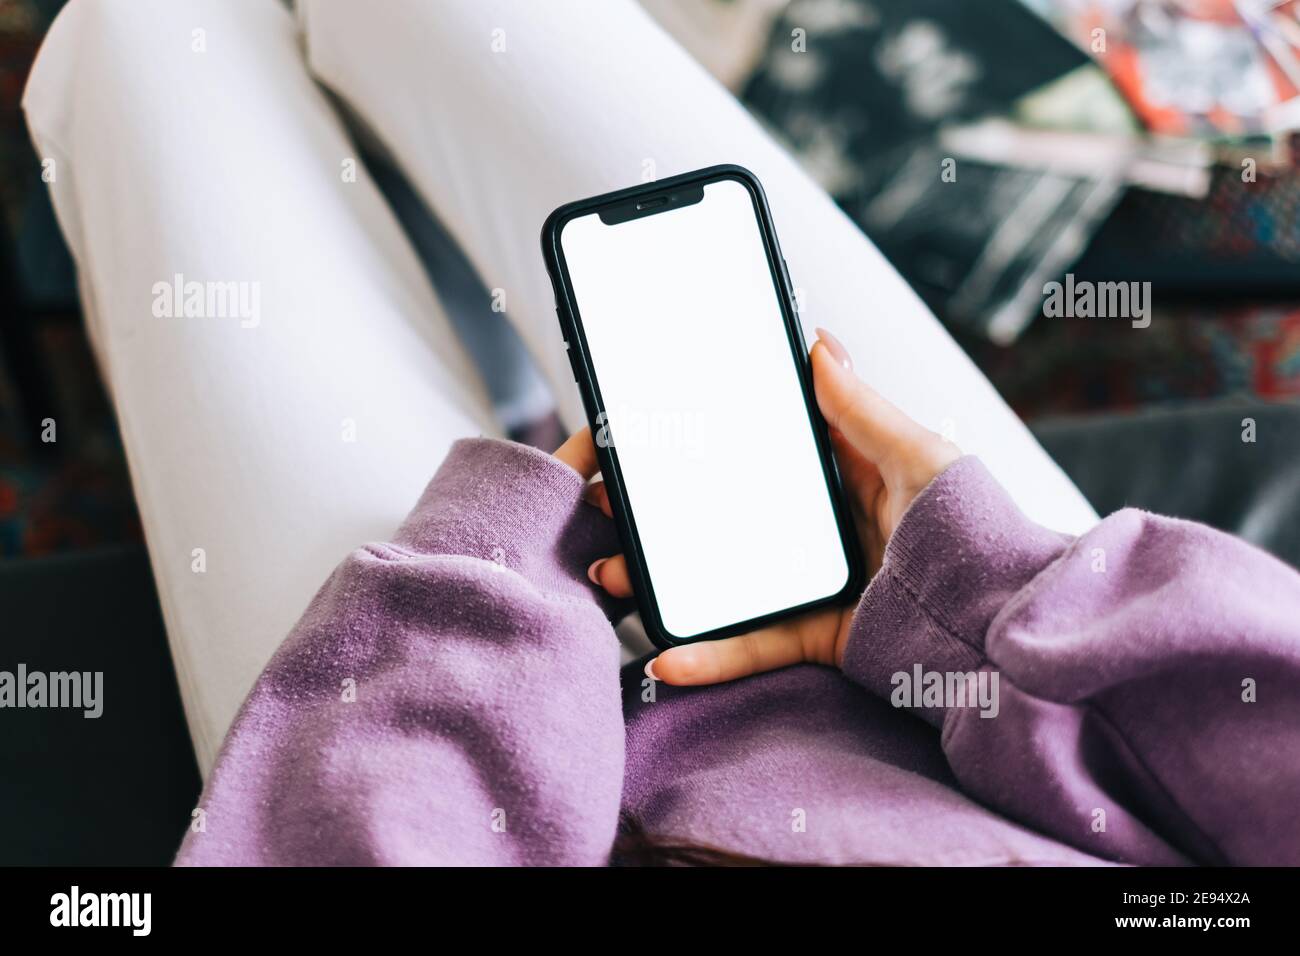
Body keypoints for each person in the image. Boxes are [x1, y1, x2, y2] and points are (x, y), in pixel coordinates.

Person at [175, 329, 1300, 866]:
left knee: (139, 49)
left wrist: (474, 606)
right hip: (951, 649)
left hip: (421, 747)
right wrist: (956, 591)